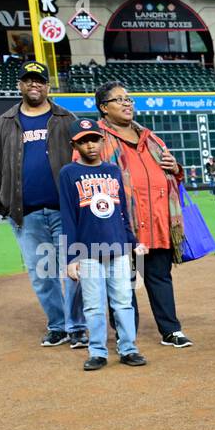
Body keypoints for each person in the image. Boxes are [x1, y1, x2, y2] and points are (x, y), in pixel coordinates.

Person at [0, 60, 85, 348]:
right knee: (42, 275)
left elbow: (84, 158)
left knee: (75, 269)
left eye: (39, 80)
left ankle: (77, 326)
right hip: (25, 214)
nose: (34, 85)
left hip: (65, 211)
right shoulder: (4, 122)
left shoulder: (66, 119)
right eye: (28, 80)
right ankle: (58, 325)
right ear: (20, 85)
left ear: (47, 85)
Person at [93, 82, 194, 347]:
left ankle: (171, 330)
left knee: (159, 276)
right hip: (121, 224)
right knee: (122, 281)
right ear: (104, 108)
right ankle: (127, 335)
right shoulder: (98, 139)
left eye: (129, 99)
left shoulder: (151, 138)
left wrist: (175, 168)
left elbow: (172, 175)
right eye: (119, 99)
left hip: (158, 220)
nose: (127, 103)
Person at [57, 118, 145, 372]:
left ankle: (128, 348)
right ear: (75, 144)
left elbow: (122, 212)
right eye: (83, 141)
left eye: (94, 139)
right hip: (87, 250)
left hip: (117, 247)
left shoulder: (113, 171)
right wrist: (71, 258)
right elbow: (68, 217)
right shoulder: (68, 173)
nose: (90, 145)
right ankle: (97, 351)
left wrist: (132, 241)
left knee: (123, 301)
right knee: (94, 304)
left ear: (101, 141)